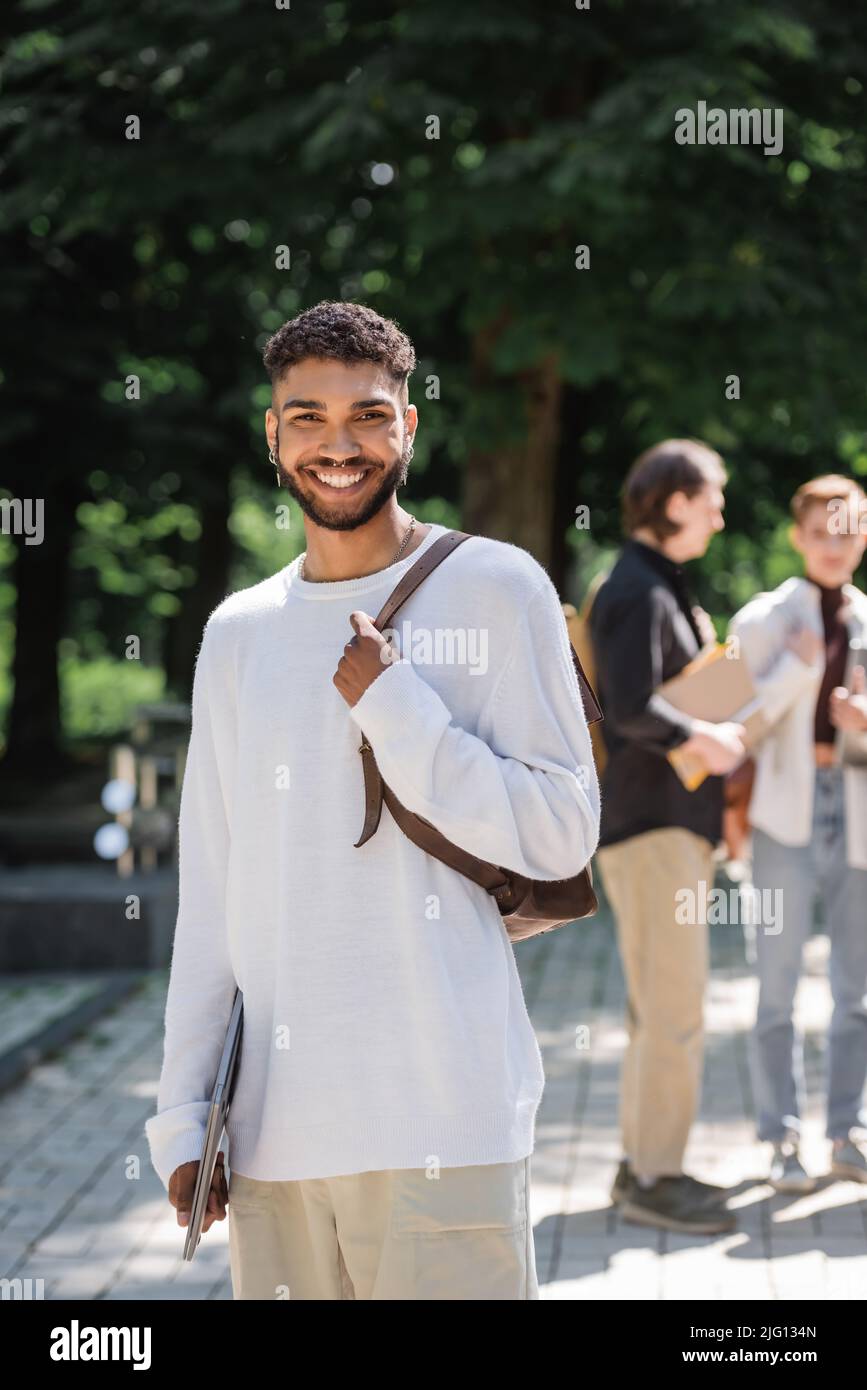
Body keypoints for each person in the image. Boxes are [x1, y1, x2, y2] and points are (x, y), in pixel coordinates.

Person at [144, 300, 600, 1300]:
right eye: (306, 417)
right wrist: (185, 1113)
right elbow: (214, 891)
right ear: (271, 434)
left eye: (369, 415)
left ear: (409, 426)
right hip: (272, 1136)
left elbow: (564, 825)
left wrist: (399, 710)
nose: (338, 444)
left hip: (446, 1120)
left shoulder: (497, 586)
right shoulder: (239, 631)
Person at [590, 439, 745, 1234]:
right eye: (711, 499)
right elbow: (629, 708)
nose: (720, 516)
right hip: (652, 833)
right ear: (675, 500)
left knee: (659, 1011)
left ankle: (638, 1165)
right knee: (674, 1011)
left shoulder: (649, 587)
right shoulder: (637, 589)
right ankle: (654, 1177)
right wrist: (704, 737)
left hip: (660, 833)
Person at [728, 474, 867, 1193]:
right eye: (822, 531)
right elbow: (727, 725)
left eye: (848, 529)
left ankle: (848, 1131)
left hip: (856, 816)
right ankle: (780, 1139)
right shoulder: (761, 620)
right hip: (781, 812)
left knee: (856, 989)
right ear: (798, 536)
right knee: (776, 984)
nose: (835, 544)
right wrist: (794, 672)